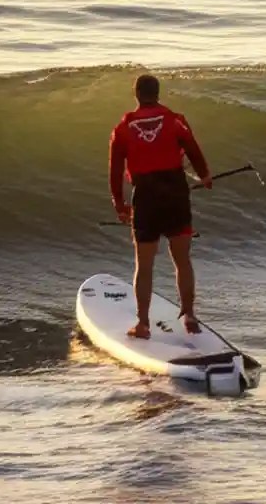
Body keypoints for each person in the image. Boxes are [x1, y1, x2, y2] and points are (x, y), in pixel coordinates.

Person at [109, 74, 212, 339]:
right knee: (182, 259)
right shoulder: (175, 120)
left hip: (145, 196)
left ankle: (143, 324)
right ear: (158, 93)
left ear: (136, 95)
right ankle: (188, 315)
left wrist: (119, 204)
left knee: (144, 265)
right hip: (175, 192)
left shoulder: (123, 128)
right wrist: (204, 175)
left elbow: (115, 170)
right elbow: (192, 148)